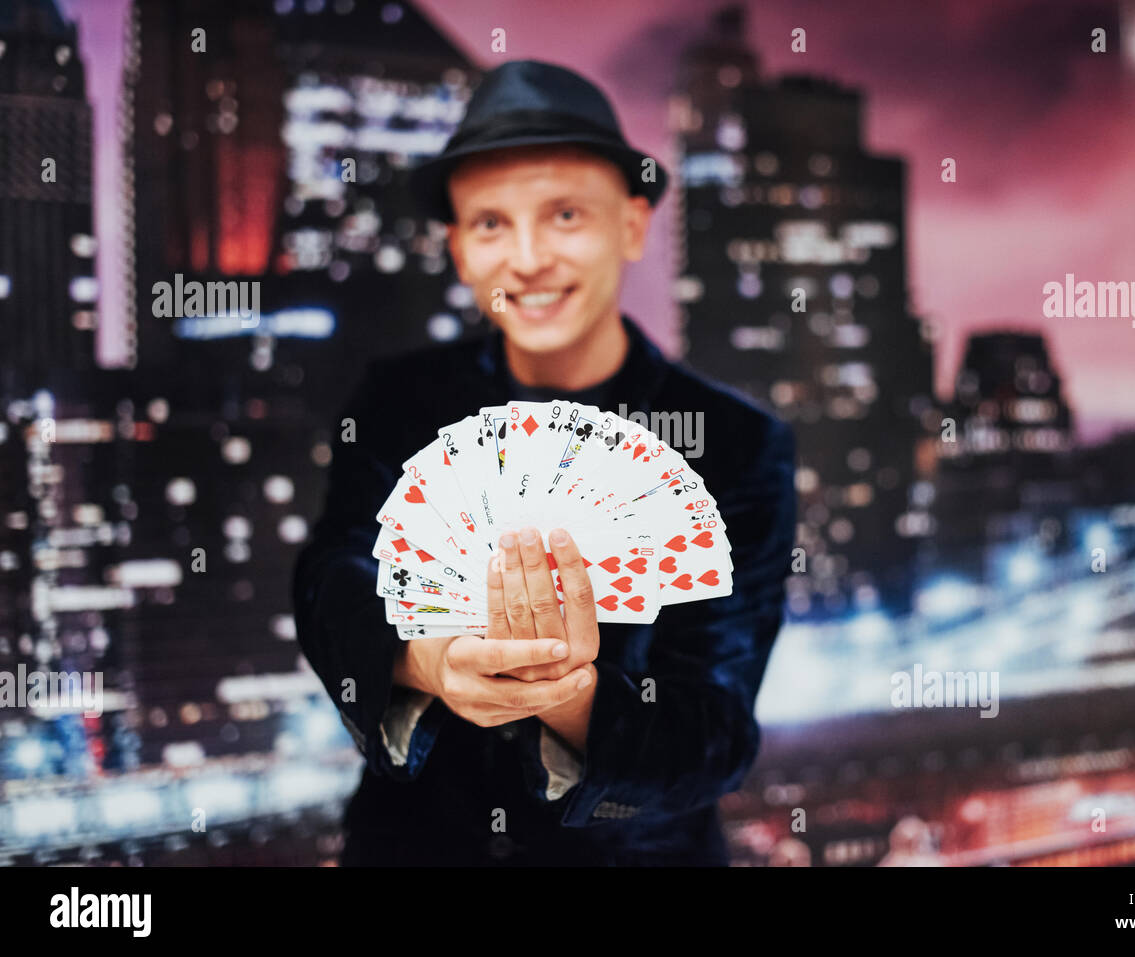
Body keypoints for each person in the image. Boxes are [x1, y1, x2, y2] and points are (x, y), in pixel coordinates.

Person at [292, 59, 797, 865]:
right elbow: (329, 578)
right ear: (458, 249)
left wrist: (576, 702)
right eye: (491, 223)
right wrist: (425, 661)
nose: (526, 259)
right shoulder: (397, 400)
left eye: (565, 214)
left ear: (633, 225)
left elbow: (716, 727)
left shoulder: (736, 443)